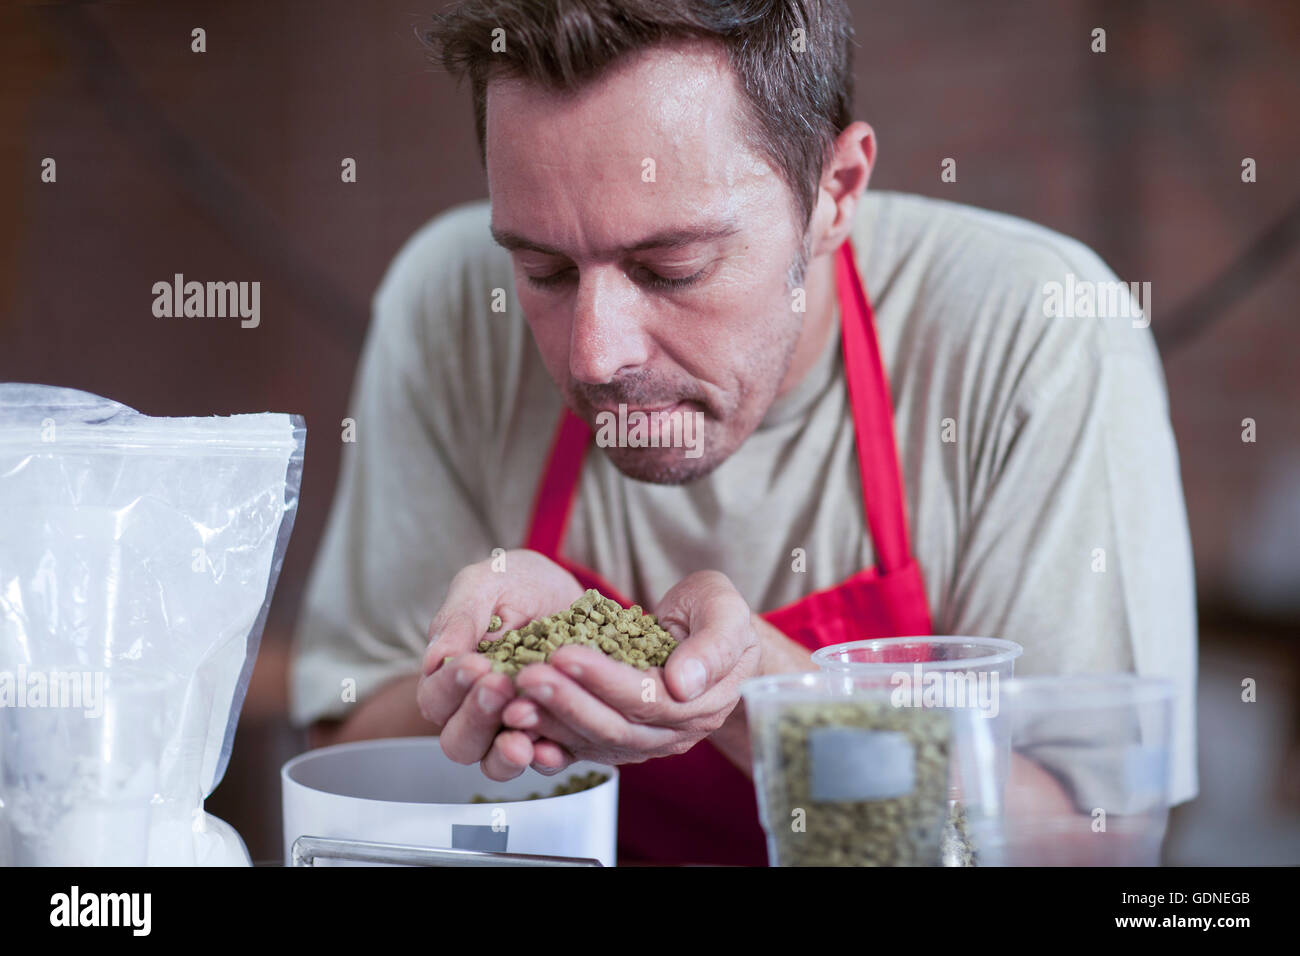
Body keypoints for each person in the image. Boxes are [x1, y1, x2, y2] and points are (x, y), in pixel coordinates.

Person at [289, 0, 1197, 865]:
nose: (598, 355)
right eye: (545, 270)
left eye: (671, 267)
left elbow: (1101, 840)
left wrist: (766, 693)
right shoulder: (447, 304)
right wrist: (491, 678)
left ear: (837, 192)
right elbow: (340, 733)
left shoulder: (1035, 332)